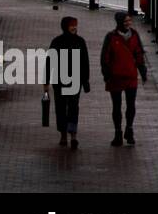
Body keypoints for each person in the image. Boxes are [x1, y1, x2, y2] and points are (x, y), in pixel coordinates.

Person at [100, 12, 147, 146]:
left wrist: (142, 71)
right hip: (115, 77)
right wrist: (106, 74)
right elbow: (105, 57)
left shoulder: (134, 35)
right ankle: (118, 132)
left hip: (131, 76)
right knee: (117, 106)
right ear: (119, 22)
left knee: (131, 105)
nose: (128, 23)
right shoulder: (111, 37)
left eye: (129, 21)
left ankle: (129, 129)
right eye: (126, 21)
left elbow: (139, 53)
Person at [43, 16, 90, 149]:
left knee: (74, 107)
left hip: (76, 81)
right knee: (61, 107)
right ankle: (63, 133)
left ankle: (73, 134)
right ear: (65, 26)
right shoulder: (57, 42)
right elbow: (49, 62)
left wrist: (85, 80)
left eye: (75, 25)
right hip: (60, 81)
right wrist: (46, 82)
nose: (74, 27)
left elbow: (85, 62)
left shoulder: (80, 41)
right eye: (71, 25)